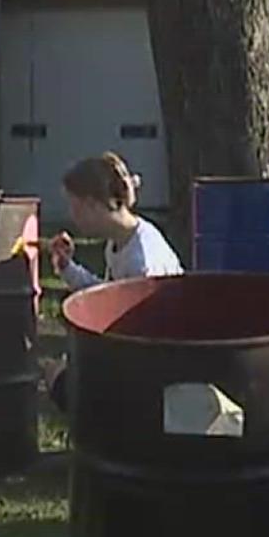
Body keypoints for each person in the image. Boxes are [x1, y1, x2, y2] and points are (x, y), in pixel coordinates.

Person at [41, 152, 184, 412]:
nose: (72, 217)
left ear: (94, 205)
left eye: (75, 207)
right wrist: (66, 267)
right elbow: (106, 298)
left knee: (65, 385)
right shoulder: (120, 242)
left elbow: (145, 335)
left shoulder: (143, 261)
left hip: (159, 370)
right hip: (139, 356)